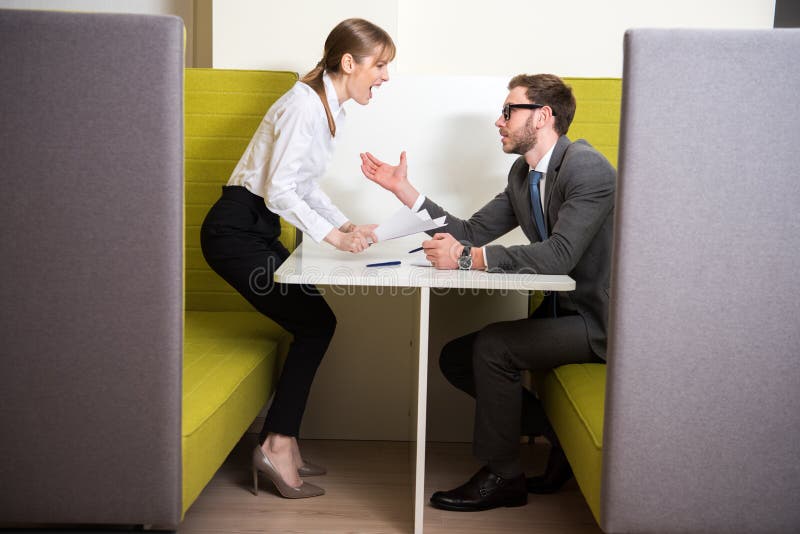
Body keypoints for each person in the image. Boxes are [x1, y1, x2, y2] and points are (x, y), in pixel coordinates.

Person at [360, 73, 616, 511]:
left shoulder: (586, 168)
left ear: (543, 116)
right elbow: (470, 231)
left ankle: (503, 476)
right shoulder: (523, 175)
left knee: (495, 346)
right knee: (457, 357)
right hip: (563, 313)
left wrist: (467, 259)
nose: (499, 121)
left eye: (508, 111)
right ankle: (559, 440)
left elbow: (558, 255)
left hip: (598, 322)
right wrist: (406, 191)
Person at [200, 18, 395, 499]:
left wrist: (345, 224)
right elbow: (281, 191)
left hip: (257, 227)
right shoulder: (303, 105)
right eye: (380, 65)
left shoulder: (326, 108)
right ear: (348, 62)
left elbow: (304, 185)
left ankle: (284, 441)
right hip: (235, 231)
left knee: (314, 322)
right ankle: (278, 444)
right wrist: (333, 238)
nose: (385, 76)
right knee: (316, 323)